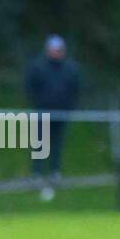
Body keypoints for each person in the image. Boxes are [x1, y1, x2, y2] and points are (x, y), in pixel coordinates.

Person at [23, 34, 80, 201]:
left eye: (59, 50)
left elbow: (75, 88)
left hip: (61, 112)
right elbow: (30, 87)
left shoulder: (70, 68)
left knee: (57, 143)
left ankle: (55, 172)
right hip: (42, 111)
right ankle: (37, 173)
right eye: (54, 50)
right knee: (40, 143)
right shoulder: (38, 67)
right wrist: (37, 103)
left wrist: (69, 106)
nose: (57, 53)